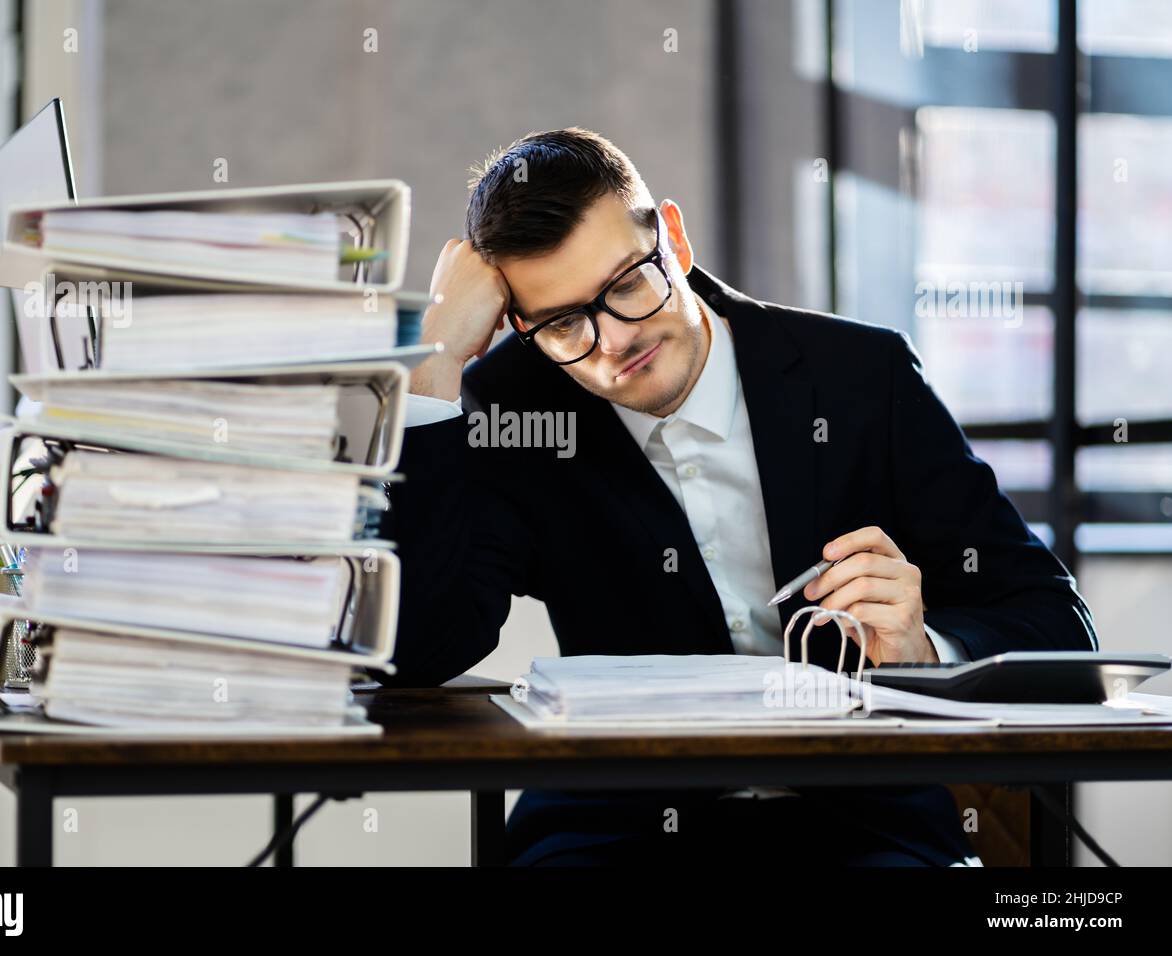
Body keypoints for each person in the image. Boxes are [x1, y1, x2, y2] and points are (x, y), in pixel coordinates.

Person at [378, 127, 1096, 866]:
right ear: (521, 326)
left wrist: (924, 652)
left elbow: (1059, 629)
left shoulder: (859, 377)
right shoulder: (512, 409)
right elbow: (419, 653)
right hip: (613, 828)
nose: (615, 340)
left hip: (863, 827)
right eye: (565, 324)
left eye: (629, 283)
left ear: (676, 242)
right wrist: (435, 369)